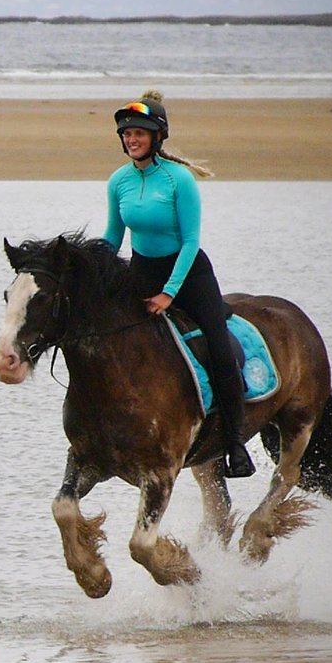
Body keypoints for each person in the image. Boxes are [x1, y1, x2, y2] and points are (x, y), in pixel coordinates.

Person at [100, 90, 255, 479]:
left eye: (139, 133)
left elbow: (190, 242)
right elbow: (112, 238)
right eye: (127, 134)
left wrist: (170, 293)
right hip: (141, 273)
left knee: (219, 346)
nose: (132, 139)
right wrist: (89, 270)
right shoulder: (118, 181)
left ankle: (235, 444)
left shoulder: (178, 180)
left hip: (189, 276)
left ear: (157, 136)